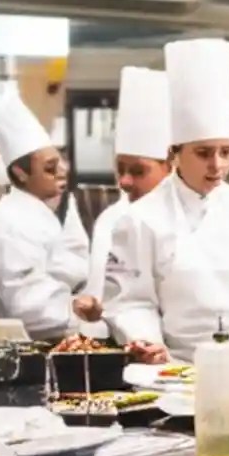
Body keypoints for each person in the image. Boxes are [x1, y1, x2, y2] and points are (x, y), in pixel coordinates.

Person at [105, 39, 229, 374]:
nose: (217, 165)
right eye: (204, 153)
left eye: (226, 151)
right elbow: (130, 301)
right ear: (175, 153)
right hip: (177, 372)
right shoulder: (141, 219)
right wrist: (146, 340)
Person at [0, 98, 88, 340]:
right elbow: (30, 309)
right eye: (50, 168)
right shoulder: (7, 223)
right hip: (31, 349)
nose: (60, 173)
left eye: (60, 164)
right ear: (21, 173)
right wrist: (91, 314)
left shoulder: (44, 212)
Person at [72, 67, 173, 363]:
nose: (124, 181)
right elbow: (118, 300)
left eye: (138, 171)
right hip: (130, 361)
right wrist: (91, 309)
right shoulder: (111, 220)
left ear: (170, 166)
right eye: (120, 169)